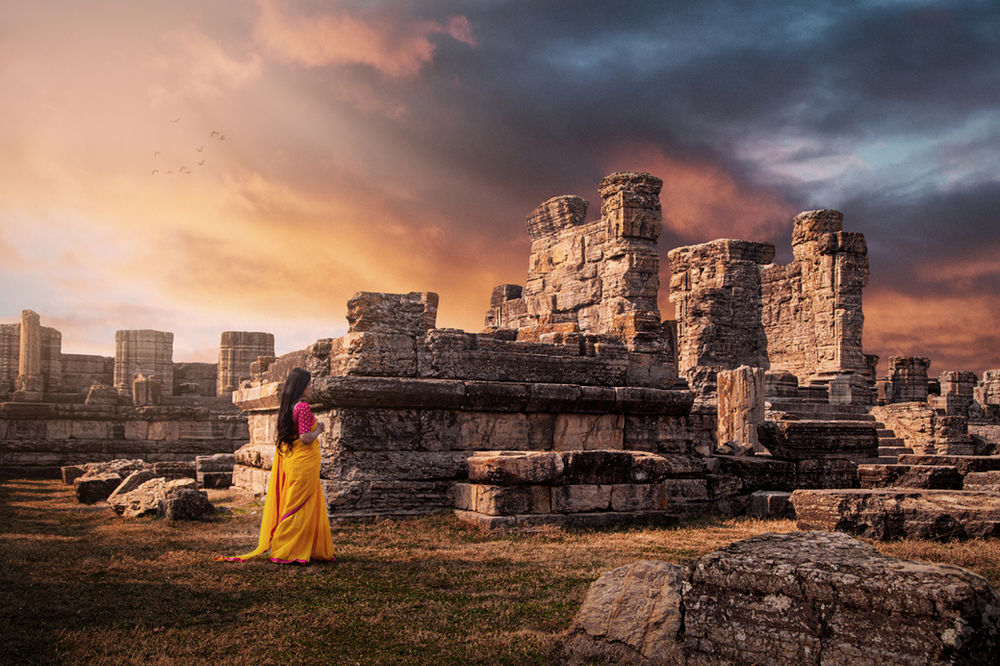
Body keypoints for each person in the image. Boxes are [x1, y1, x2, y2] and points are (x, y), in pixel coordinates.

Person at [216, 367, 336, 565]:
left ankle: (303, 548)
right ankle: (285, 548)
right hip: (303, 464)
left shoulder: (288, 407)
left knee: (299, 505)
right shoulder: (303, 407)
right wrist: (319, 430)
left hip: (294, 462)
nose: (310, 387)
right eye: (307, 384)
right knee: (298, 507)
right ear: (300, 386)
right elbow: (305, 438)